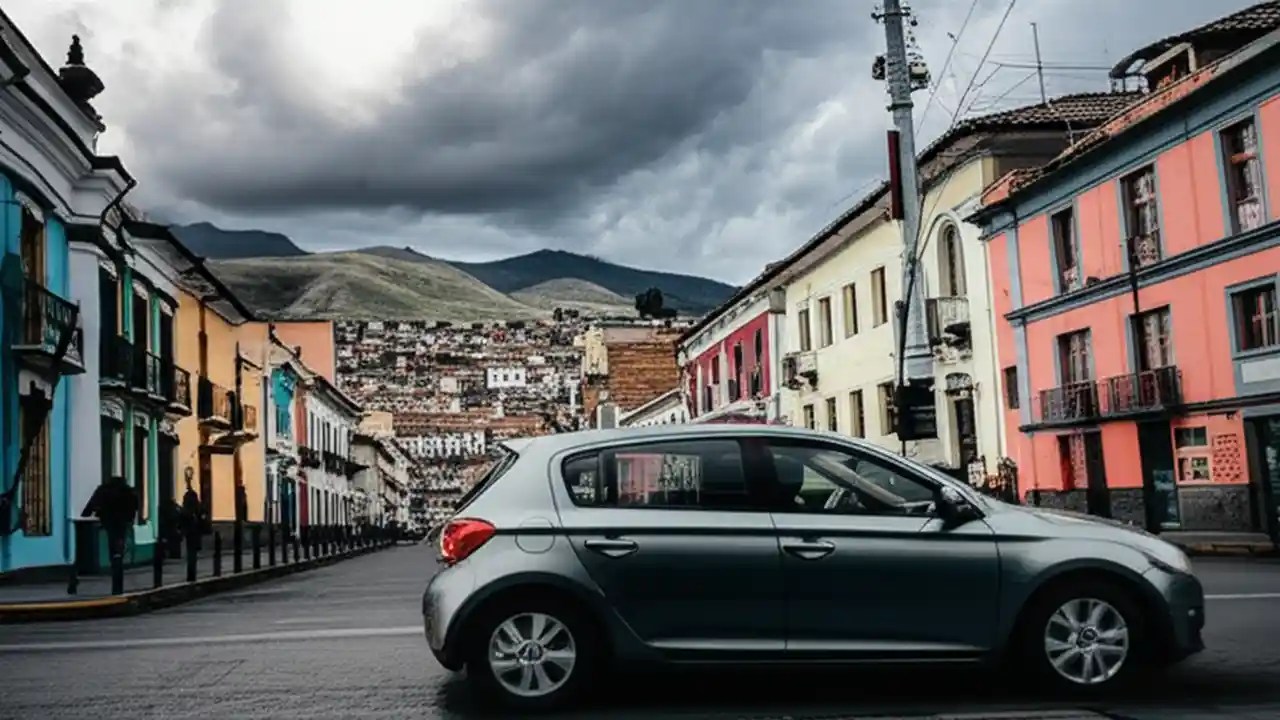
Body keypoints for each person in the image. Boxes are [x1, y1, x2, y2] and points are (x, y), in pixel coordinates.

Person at [82, 476, 138, 572]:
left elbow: (94, 501)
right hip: (123, 519)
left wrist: (87, 513)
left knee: (112, 537)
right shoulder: (127, 490)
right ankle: (118, 556)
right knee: (120, 536)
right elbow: (135, 504)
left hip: (108, 518)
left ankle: (114, 558)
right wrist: (131, 517)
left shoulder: (104, 489)